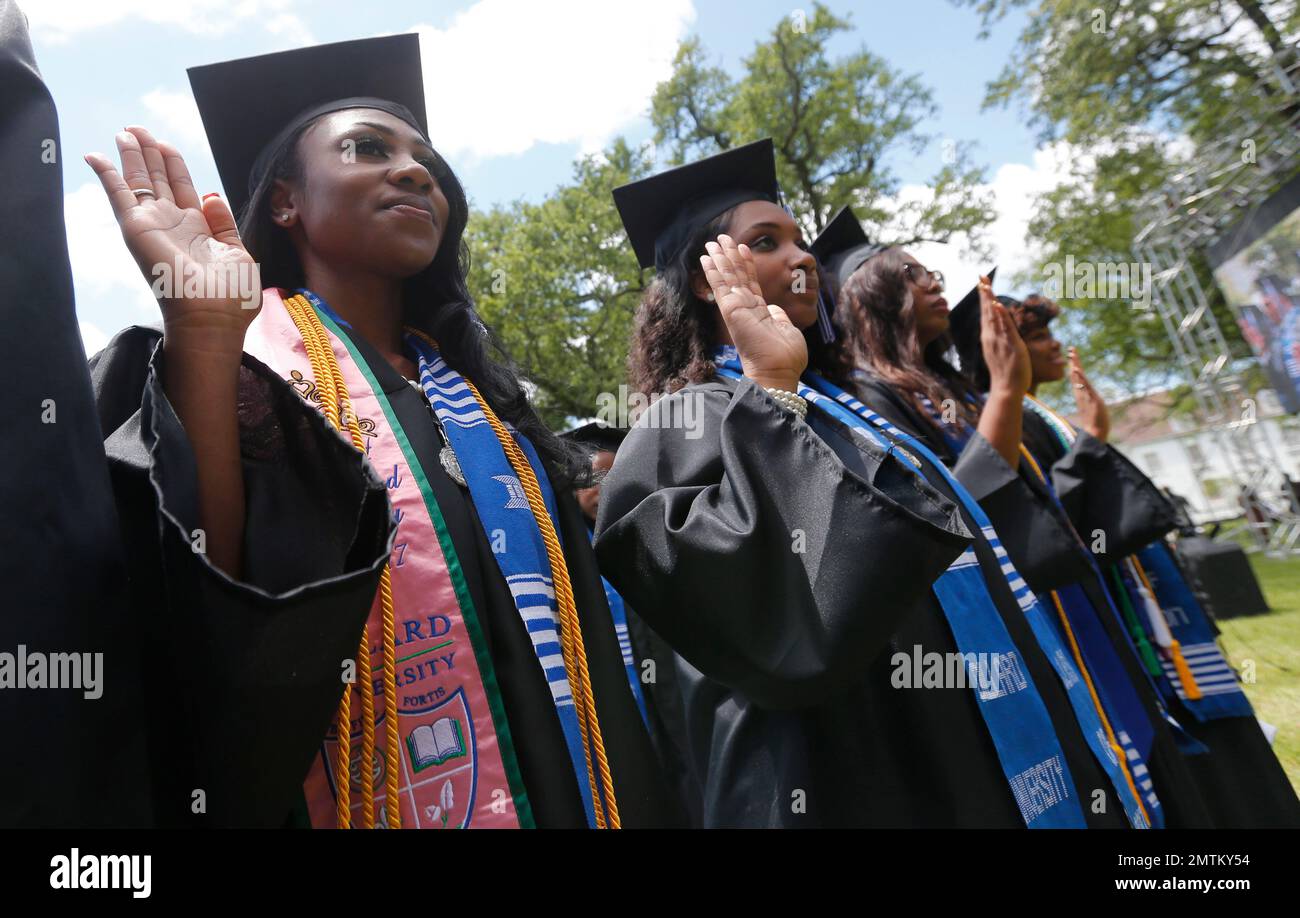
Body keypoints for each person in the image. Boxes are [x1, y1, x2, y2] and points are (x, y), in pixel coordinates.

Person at [79, 34, 676, 828]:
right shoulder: (253, 370)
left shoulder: (482, 403)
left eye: (425, 160)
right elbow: (206, 583)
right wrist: (207, 339)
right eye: (367, 148)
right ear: (285, 201)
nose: (415, 170)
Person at [595, 144, 1132, 828]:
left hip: (957, 729)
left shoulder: (844, 409)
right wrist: (770, 392)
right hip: (852, 762)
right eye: (767, 242)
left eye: (798, 239)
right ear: (708, 281)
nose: (802, 256)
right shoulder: (681, 419)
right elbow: (757, 621)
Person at [833, 211, 1218, 827]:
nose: (934, 283)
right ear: (871, 299)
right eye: (910, 275)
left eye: (930, 270)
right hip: (1007, 620)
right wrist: (1009, 392)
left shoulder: (946, 387)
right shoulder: (869, 400)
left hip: (1062, 591)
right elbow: (955, 513)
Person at [973, 293, 1300, 827]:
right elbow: (1042, 520)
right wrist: (1093, 439)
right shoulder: (1006, 425)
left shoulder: (1045, 418)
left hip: (1146, 605)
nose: (1054, 344)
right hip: (1112, 621)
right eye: (1036, 337)